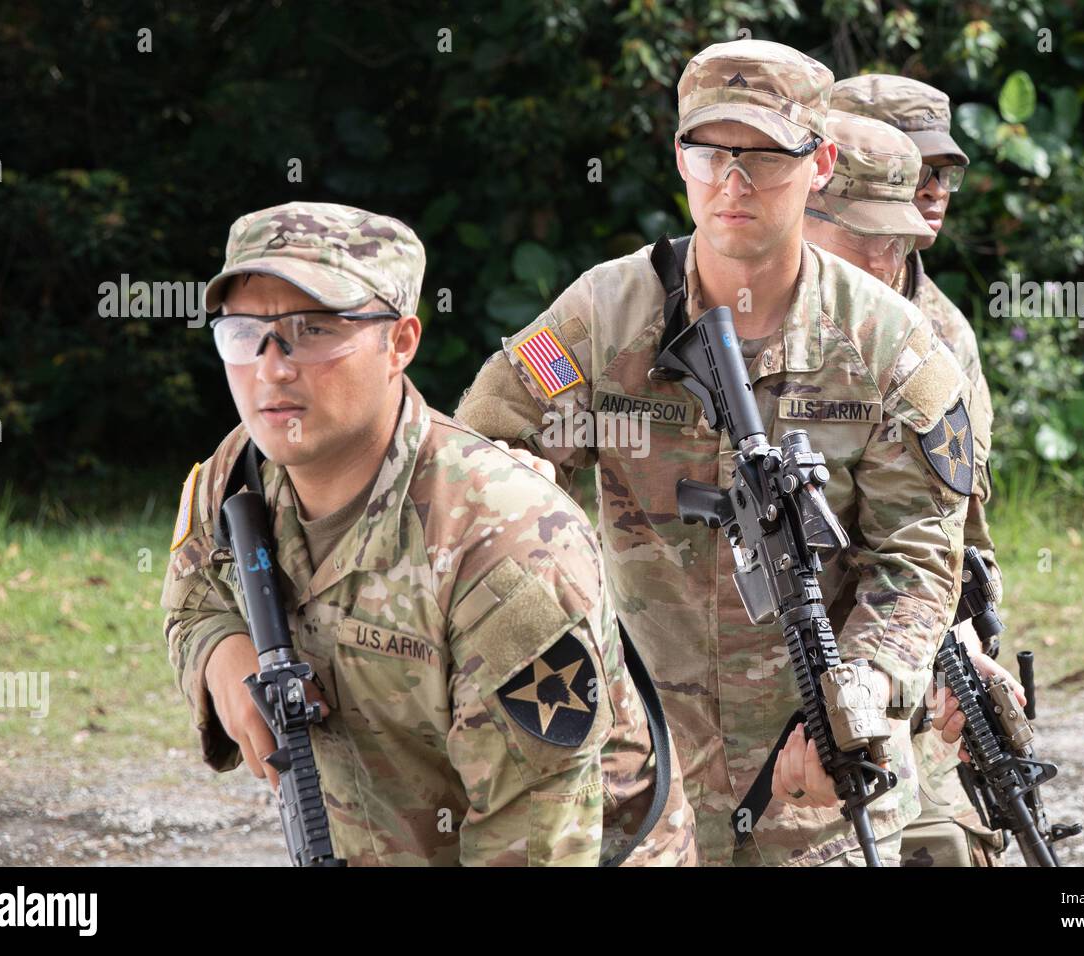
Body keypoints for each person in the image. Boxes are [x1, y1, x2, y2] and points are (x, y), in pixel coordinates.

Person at [456, 40, 975, 866]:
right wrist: (551, 571)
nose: (734, 182)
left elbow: (917, 557)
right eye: (711, 153)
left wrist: (865, 691)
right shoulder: (603, 316)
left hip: (824, 785)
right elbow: (481, 460)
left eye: (766, 156)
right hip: (642, 769)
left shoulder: (891, 347)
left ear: (821, 163)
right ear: (679, 159)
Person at [161, 201, 696, 866]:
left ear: (401, 343)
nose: (272, 367)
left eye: (316, 330)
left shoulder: (507, 550)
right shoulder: (242, 469)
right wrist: (223, 655)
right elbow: (193, 584)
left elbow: (534, 843)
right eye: (246, 333)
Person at [830, 74, 1008, 866]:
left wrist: (970, 635)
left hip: (907, 631)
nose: (934, 191)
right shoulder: (740, 299)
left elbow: (964, 528)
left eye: (947, 172)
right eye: (915, 169)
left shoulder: (943, 333)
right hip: (762, 643)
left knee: (946, 844)